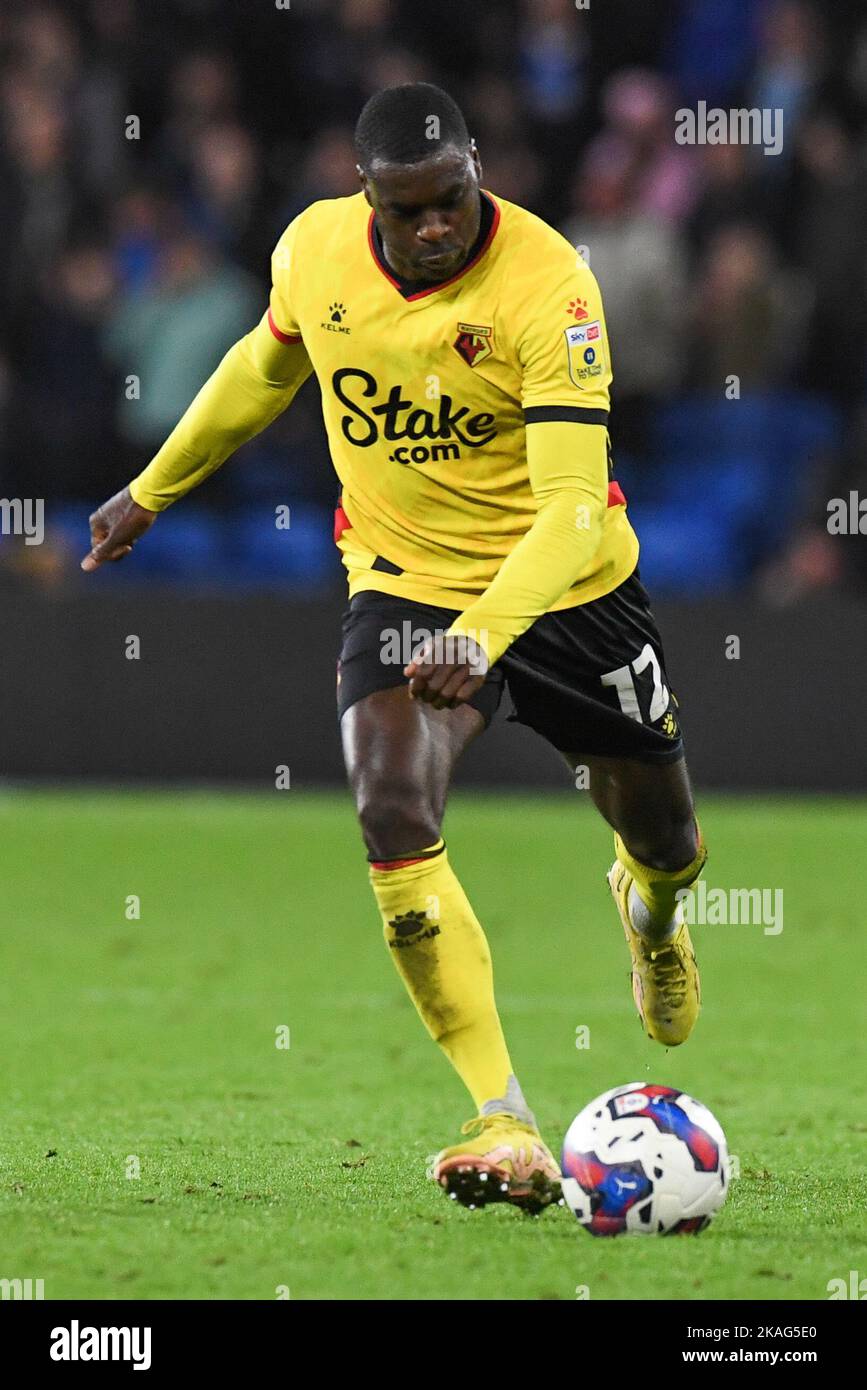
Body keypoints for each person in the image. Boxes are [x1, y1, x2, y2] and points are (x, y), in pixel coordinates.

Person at [81, 83, 707, 1216]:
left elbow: (570, 513)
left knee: (670, 839)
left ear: (477, 170)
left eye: (453, 200)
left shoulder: (552, 283)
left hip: (568, 587)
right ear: (364, 191)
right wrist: (151, 490)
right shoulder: (314, 251)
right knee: (391, 808)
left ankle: (650, 911)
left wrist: (486, 633)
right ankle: (502, 1115)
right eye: (408, 208)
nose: (435, 227)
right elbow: (267, 368)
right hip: (406, 578)